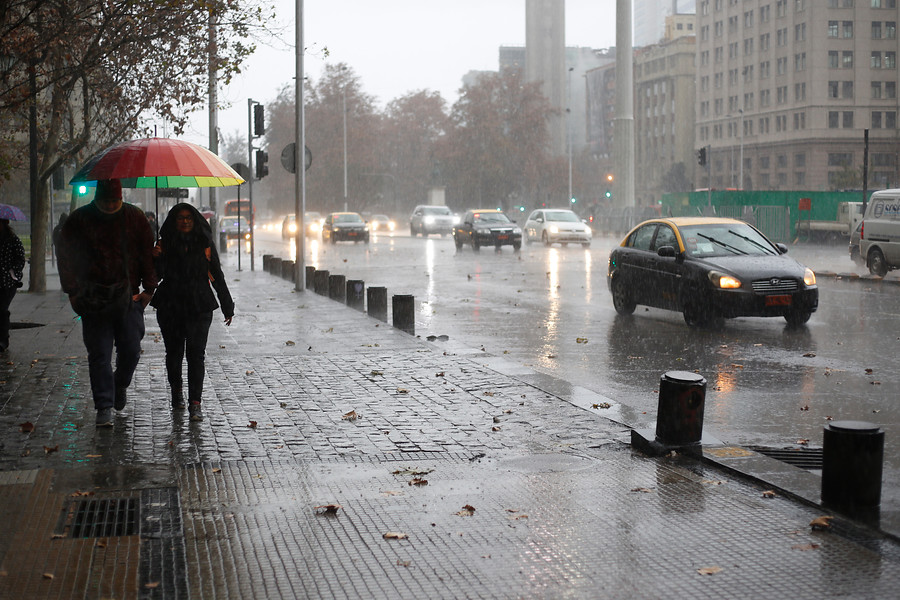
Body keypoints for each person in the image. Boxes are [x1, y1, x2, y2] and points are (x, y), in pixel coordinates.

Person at [57, 179, 157, 427]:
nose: (111, 205)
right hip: (93, 297)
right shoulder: (79, 220)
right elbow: (66, 256)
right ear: (97, 199)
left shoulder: (134, 217)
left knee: (131, 349)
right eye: (106, 201)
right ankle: (104, 405)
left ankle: (119, 384)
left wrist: (149, 289)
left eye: (115, 200)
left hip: (129, 296)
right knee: (99, 353)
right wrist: (73, 291)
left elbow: (146, 252)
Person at [151, 203, 234, 422]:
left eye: (189, 217)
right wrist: (156, 257)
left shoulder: (204, 244)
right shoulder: (164, 244)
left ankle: (195, 403)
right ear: (173, 221)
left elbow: (216, 274)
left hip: (199, 305)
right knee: (174, 352)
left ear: (195, 220)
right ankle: (176, 392)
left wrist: (227, 305)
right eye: (180, 218)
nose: (185, 221)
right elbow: (155, 276)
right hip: (170, 305)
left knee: (196, 355)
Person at [0, 218, 26, 352]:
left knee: (2, 310)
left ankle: (3, 339)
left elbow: (21, 258)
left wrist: (13, 273)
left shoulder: (13, 240)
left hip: (8, 283)